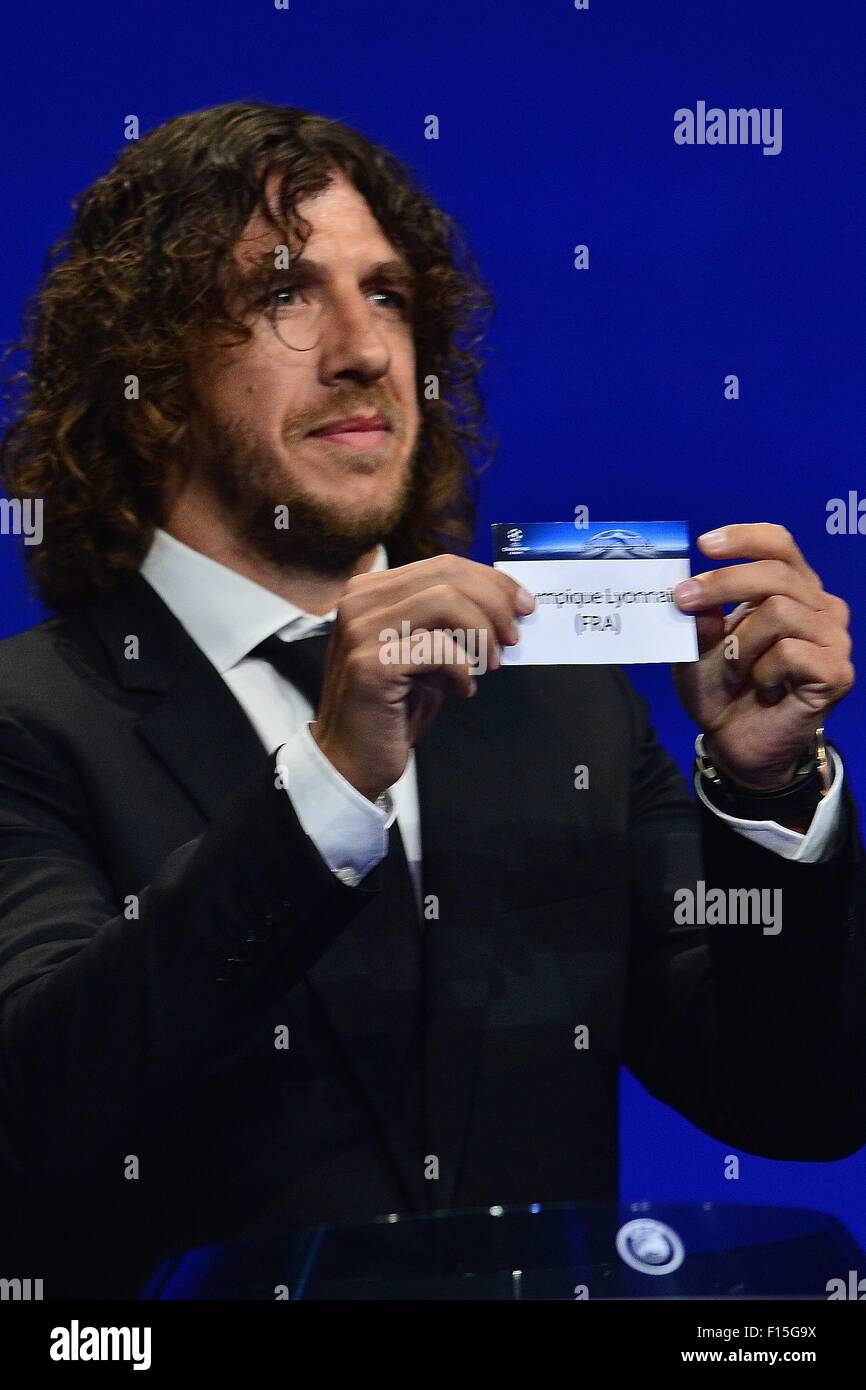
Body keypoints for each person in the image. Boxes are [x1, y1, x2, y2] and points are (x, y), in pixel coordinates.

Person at [0, 101, 862, 1300]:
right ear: (148, 385)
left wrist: (765, 794)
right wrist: (328, 786)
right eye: (288, 294)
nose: (364, 350)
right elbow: (35, 1111)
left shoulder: (561, 720)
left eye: (391, 296)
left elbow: (794, 1103)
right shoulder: (30, 722)